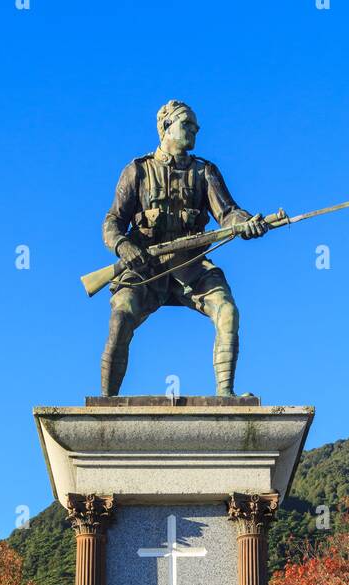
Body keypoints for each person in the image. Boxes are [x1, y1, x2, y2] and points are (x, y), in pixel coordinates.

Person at [100, 100, 268, 396]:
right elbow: (113, 221)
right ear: (166, 127)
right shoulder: (137, 171)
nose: (195, 130)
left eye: (196, 126)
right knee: (121, 316)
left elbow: (228, 213)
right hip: (144, 267)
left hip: (192, 266)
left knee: (227, 311)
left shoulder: (205, 172)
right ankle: (105, 401)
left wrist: (248, 222)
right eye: (187, 124)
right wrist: (123, 245)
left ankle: (225, 394)